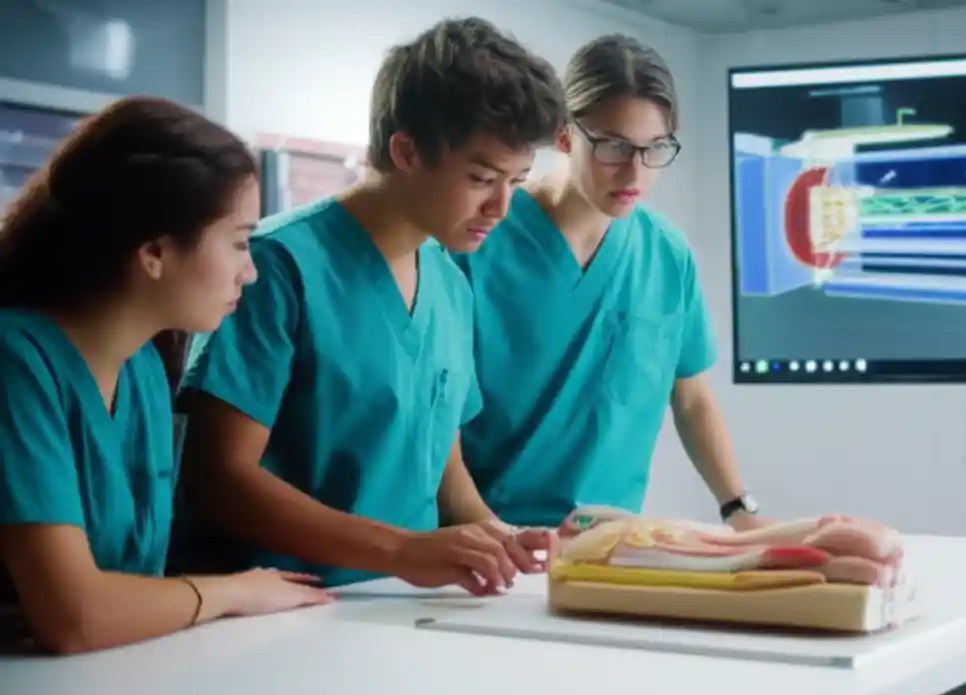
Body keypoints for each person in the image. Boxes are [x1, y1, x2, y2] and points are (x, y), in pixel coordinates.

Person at [176, 17, 566, 594]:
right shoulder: (276, 266)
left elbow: (443, 468)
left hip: (400, 604)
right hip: (278, 607)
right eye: (482, 177)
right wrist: (403, 550)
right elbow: (220, 478)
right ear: (406, 150)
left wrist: (497, 537)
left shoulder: (449, 282)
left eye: (517, 181)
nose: (501, 207)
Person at [0, 96, 332, 655]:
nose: (249, 272)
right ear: (154, 251)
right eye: (238, 242)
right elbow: (76, 616)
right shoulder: (18, 363)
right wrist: (231, 592)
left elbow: (123, 599)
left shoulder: (144, 373)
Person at [450, 35, 769, 532]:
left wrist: (737, 509)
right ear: (563, 135)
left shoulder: (666, 253)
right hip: (487, 541)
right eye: (614, 147)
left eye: (655, 149)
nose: (635, 172)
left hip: (610, 542)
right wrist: (483, 529)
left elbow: (691, 397)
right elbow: (435, 416)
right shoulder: (478, 241)